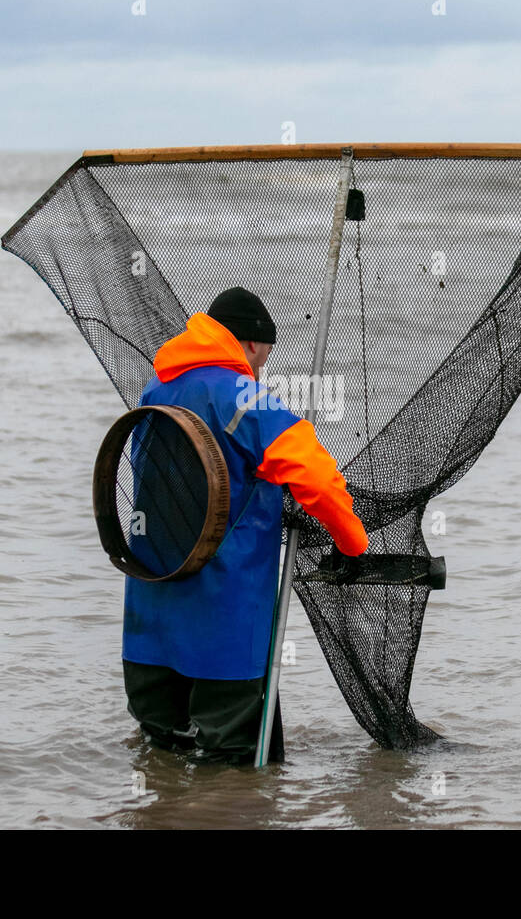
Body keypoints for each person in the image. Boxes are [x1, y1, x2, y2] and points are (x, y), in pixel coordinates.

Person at [122, 286, 368, 765]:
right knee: (234, 778)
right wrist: (353, 545)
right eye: (264, 358)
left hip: (148, 631)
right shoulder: (246, 399)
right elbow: (319, 482)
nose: (261, 369)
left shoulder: (155, 391)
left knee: (162, 767)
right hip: (224, 637)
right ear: (251, 345)